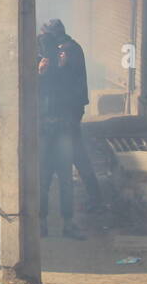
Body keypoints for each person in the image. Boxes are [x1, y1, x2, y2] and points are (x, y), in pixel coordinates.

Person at [41, 19, 103, 212]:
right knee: (76, 154)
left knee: (76, 154)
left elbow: (62, 82)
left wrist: (51, 68)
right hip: (70, 111)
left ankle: (96, 200)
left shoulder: (67, 50)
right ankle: (96, 199)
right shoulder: (69, 47)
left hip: (69, 113)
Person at [37, 29, 86, 239]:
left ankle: (65, 223)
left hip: (60, 130)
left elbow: (75, 97)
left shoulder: (64, 71)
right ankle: (43, 223)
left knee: (62, 179)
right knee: (44, 179)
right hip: (47, 131)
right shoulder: (40, 73)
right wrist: (39, 74)